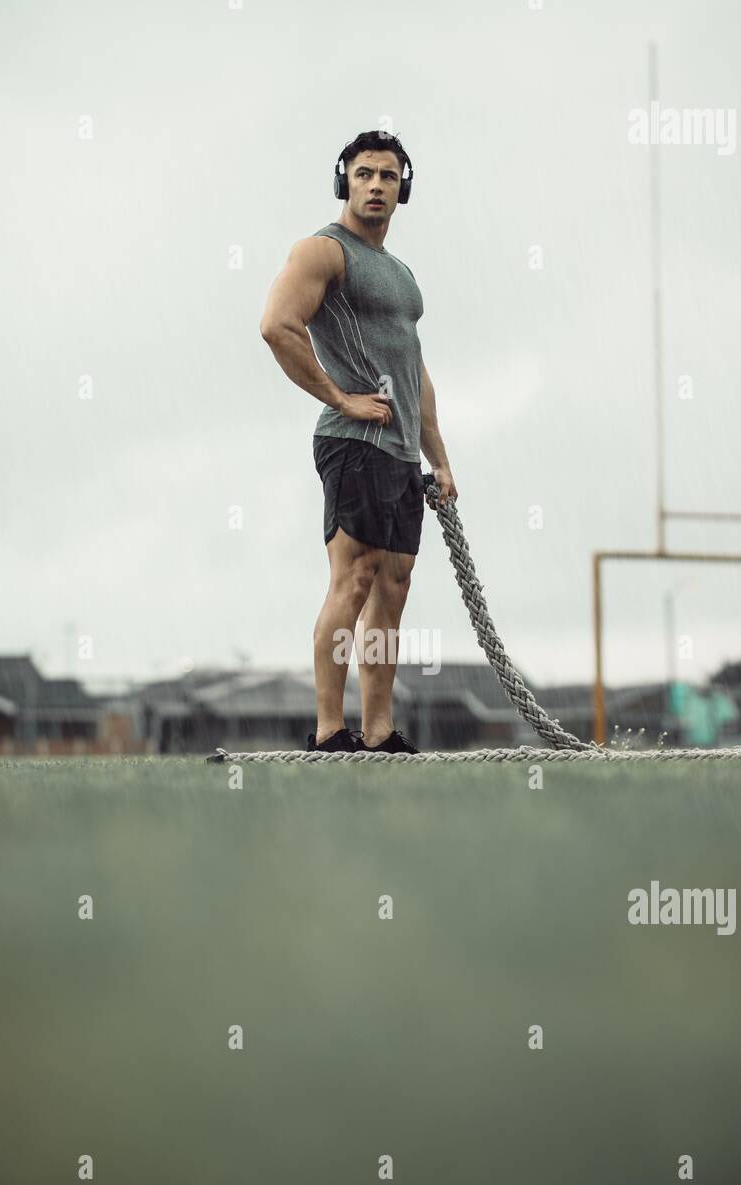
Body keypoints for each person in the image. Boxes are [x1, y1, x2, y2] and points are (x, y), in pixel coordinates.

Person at [260, 130, 458, 753]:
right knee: (354, 579)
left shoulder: (400, 275)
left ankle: (377, 732)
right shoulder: (324, 251)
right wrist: (341, 399)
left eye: (389, 176)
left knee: (391, 593)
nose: (376, 185)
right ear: (343, 179)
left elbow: (413, 371)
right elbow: (277, 327)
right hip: (353, 441)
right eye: (365, 173)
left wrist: (441, 460)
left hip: (400, 452)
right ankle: (328, 730)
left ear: (404, 189)